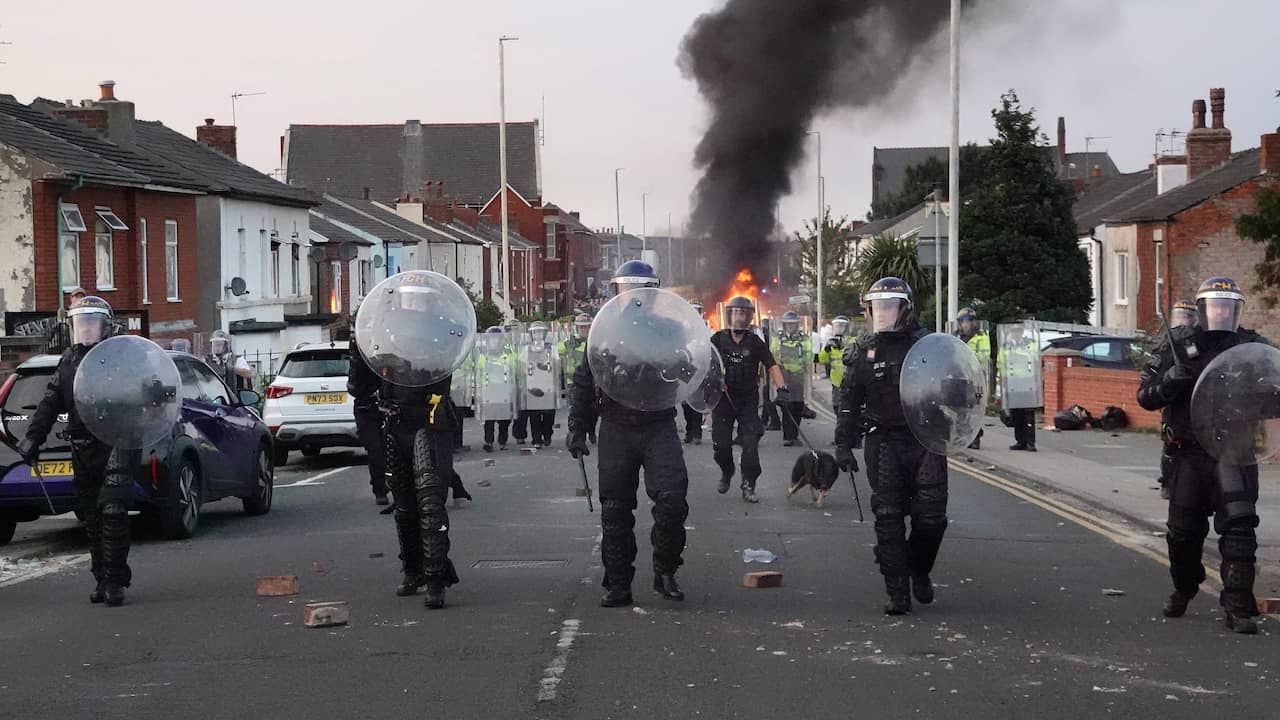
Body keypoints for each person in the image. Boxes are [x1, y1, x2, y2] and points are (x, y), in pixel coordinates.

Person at [1138, 277, 1268, 634]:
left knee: (1240, 531)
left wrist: (1263, 391)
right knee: (1182, 535)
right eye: (1215, 306)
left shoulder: (1252, 346)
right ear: (1201, 310)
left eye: (1228, 306)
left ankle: (1238, 605)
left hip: (1234, 452)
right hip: (1189, 453)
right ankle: (1185, 586)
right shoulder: (1177, 345)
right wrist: (1168, 385)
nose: (1221, 312)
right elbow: (1145, 396)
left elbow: (1274, 393)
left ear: (1236, 309)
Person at [567, 260, 689, 607]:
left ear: (654, 293)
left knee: (672, 499)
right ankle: (618, 582)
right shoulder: (603, 330)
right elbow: (585, 381)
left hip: (658, 423)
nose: (635, 297)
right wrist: (578, 427)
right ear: (615, 292)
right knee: (615, 509)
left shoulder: (668, 329)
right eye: (628, 289)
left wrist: (683, 367)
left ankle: (666, 569)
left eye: (643, 289)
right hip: (617, 425)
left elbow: (685, 367)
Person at [834, 278, 948, 615]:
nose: (883, 314)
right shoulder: (861, 352)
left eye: (890, 306)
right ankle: (898, 592)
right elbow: (848, 402)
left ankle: (919, 569)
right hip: (882, 440)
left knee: (932, 516)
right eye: (878, 307)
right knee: (888, 517)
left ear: (906, 309)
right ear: (868, 310)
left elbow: (950, 385)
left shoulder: (927, 345)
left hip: (924, 439)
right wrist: (843, 443)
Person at [353, 276, 464, 609]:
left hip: (430, 421)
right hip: (396, 420)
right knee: (404, 507)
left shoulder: (442, 329)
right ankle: (413, 570)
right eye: (410, 299)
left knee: (431, 503)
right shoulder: (383, 331)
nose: (415, 305)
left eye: (421, 299)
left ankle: (435, 579)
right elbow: (358, 385)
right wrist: (358, 344)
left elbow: (447, 363)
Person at [18, 296, 133, 606]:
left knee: (112, 511)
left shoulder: (121, 357)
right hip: (82, 445)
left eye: (91, 324)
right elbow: (50, 401)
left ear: (105, 327)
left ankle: (115, 581)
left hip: (116, 442)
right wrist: (33, 438)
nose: (85, 331)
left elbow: (142, 393)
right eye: (80, 324)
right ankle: (101, 577)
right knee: (93, 516)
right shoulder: (68, 360)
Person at [711, 296, 788, 503]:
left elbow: (771, 365)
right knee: (721, 446)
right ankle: (727, 472)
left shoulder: (755, 342)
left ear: (749, 317)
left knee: (751, 444)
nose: (739, 317)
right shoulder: (717, 339)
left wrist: (782, 388)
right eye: (735, 312)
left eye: (743, 313)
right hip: (723, 400)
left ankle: (749, 484)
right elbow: (704, 362)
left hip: (748, 400)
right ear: (729, 315)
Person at [1155, 299, 1199, 500]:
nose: (1182, 321)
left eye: (1187, 316)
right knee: (1170, 442)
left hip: (1195, 396)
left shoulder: (1195, 342)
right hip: (1174, 399)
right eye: (1179, 316)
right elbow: (1154, 372)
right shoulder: (1165, 342)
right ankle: (1167, 481)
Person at [347, 333, 390, 506]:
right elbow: (354, 387)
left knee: (402, 444)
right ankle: (379, 489)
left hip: (389, 407)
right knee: (375, 449)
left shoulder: (391, 357)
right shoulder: (360, 361)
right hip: (367, 408)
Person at [770, 310, 811, 447]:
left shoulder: (804, 338)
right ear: (784, 325)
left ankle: (794, 435)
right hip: (784, 374)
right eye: (789, 325)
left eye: (794, 325)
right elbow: (774, 353)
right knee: (786, 406)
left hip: (798, 376)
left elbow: (809, 355)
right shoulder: (778, 337)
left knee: (798, 406)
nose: (791, 327)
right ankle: (788, 436)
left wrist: (801, 361)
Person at [954, 308, 991, 450]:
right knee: (959, 409)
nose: (965, 325)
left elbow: (983, 357)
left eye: (968, 321)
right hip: (960, 378)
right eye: (962, 322)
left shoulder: (981, 338)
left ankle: (975, 438)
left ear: (973, 322)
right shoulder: (956, 337)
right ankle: (962, 436)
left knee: (973, 409)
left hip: (975, 379)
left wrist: (968, 357)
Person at [518, 321, 559, 447]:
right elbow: (522, 367)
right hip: (533, 386)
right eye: (535, 332)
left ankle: (547, 434)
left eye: (540, 332)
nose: (538, 334)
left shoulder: (552, 349)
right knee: (534, 415)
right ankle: (536, 439)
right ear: (531, 334)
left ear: (545, 333)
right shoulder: (526, 349)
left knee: (548, 415)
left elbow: (557, 365)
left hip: (548, 385)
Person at [477, 327, 517, 452]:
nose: (494, 342)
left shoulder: (509, 357)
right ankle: (488, 441)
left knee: (504, 419)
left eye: (497, 339)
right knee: (489, 419)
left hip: (503, 391)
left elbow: (514, 374)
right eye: (492, 339)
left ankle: (502, 441)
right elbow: (478, 375)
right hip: (488, 391)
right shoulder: (483, 358)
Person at [559, 314, 597, 443]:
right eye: (582, 328)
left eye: (587, 327)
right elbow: (556, 351)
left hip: (592, 381)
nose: (585, 330)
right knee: (574, 408)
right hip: (572, 382)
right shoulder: (570, 343)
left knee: (593, 410)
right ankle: (575, 433)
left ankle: (591, 431)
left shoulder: (594, 342)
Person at [817, 315, 851, 440]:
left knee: (848, 411)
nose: (839, 329)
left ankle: (849, 438)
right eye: (837, 326)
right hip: (836, 382)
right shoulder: (831, 343)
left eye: (842, 326)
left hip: (849, 382)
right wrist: (826, 349)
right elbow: (821, 360)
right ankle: (841, 437)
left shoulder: (852, 341)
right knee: (837, 409)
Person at [682, 301, 708, 445]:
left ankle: (697, 433)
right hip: (685, 366)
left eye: (697, 311)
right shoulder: (682, 327)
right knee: (685, 402)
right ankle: (689, 431)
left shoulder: (705, 327)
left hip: (699, 366)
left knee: (696, 400)